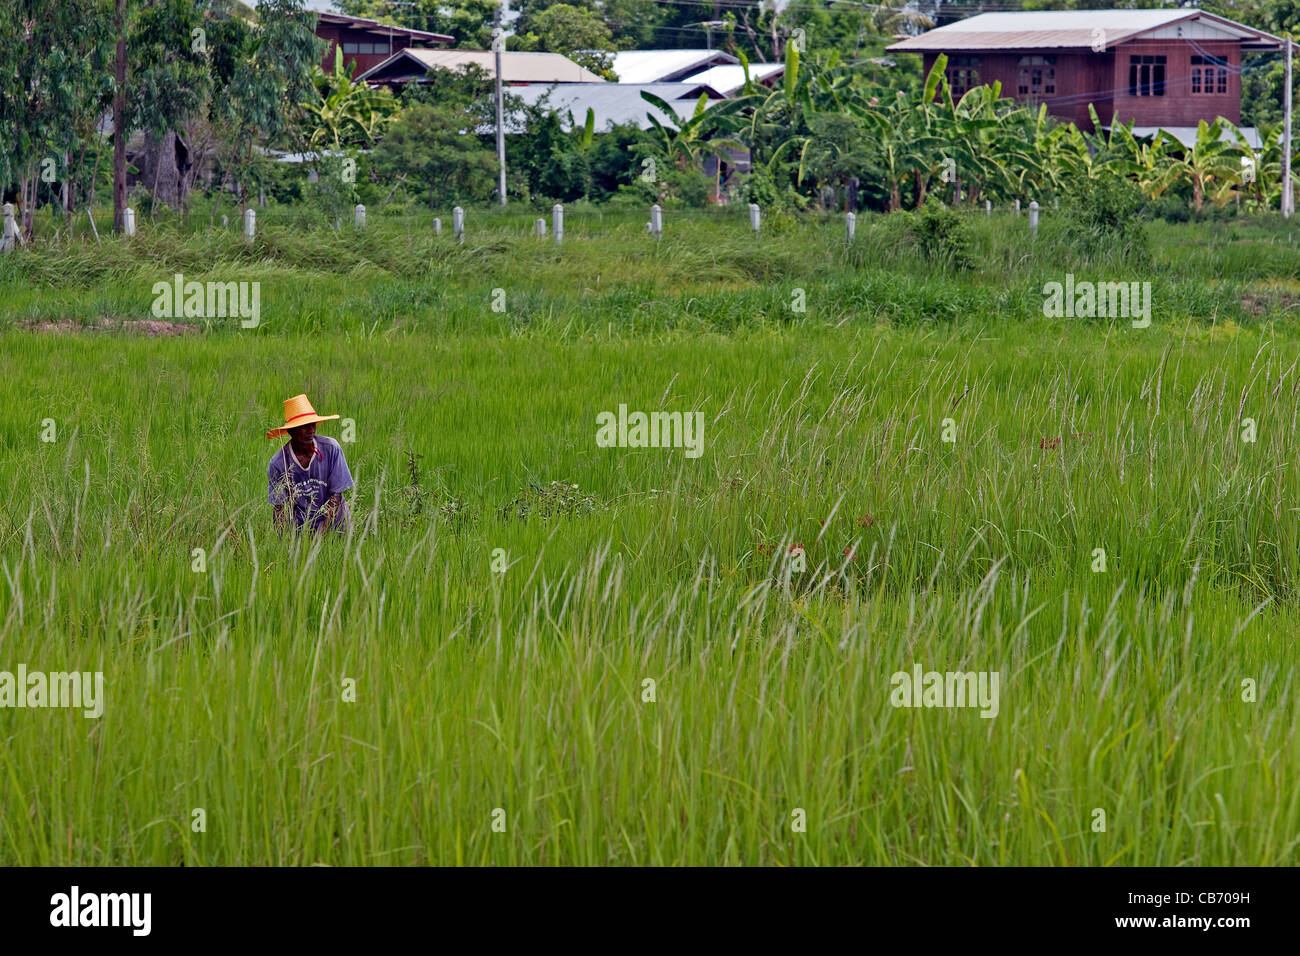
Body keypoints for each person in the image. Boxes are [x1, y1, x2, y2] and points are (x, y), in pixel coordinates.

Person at [266, 394, 353, 533]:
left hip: (336, 525)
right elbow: (279, 509)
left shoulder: (331, 449)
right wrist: (284, 544)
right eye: (304, 427)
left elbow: (336, 495)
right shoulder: (278, 463)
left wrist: (322, 531)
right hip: (302, 530)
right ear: (291, 431)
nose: (311, 430)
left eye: (313, 425)